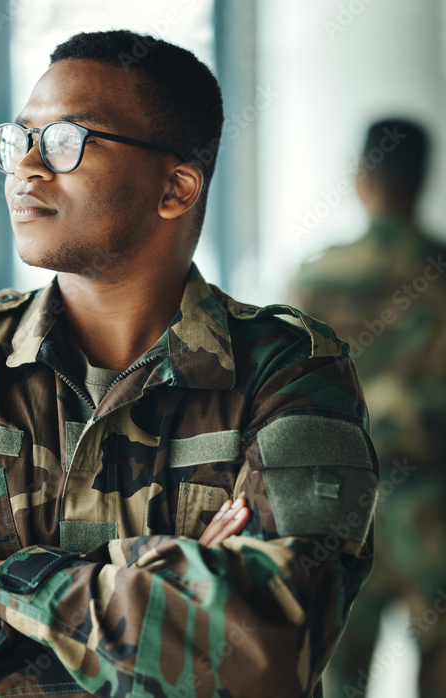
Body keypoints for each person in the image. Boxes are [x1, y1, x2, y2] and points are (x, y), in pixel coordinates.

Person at [0, 29, 378, 697]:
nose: (27, 168)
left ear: (176, 187)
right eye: (20, 140)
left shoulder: (289, 372)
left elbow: (261, 651)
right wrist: (168, 600)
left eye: (66, 141)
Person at [288, 118, 446, 697]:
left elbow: (288, 407)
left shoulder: (316, 276)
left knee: (336, 674)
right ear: (422, 178)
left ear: (362, 178)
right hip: (434, 507)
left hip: (340, 511)